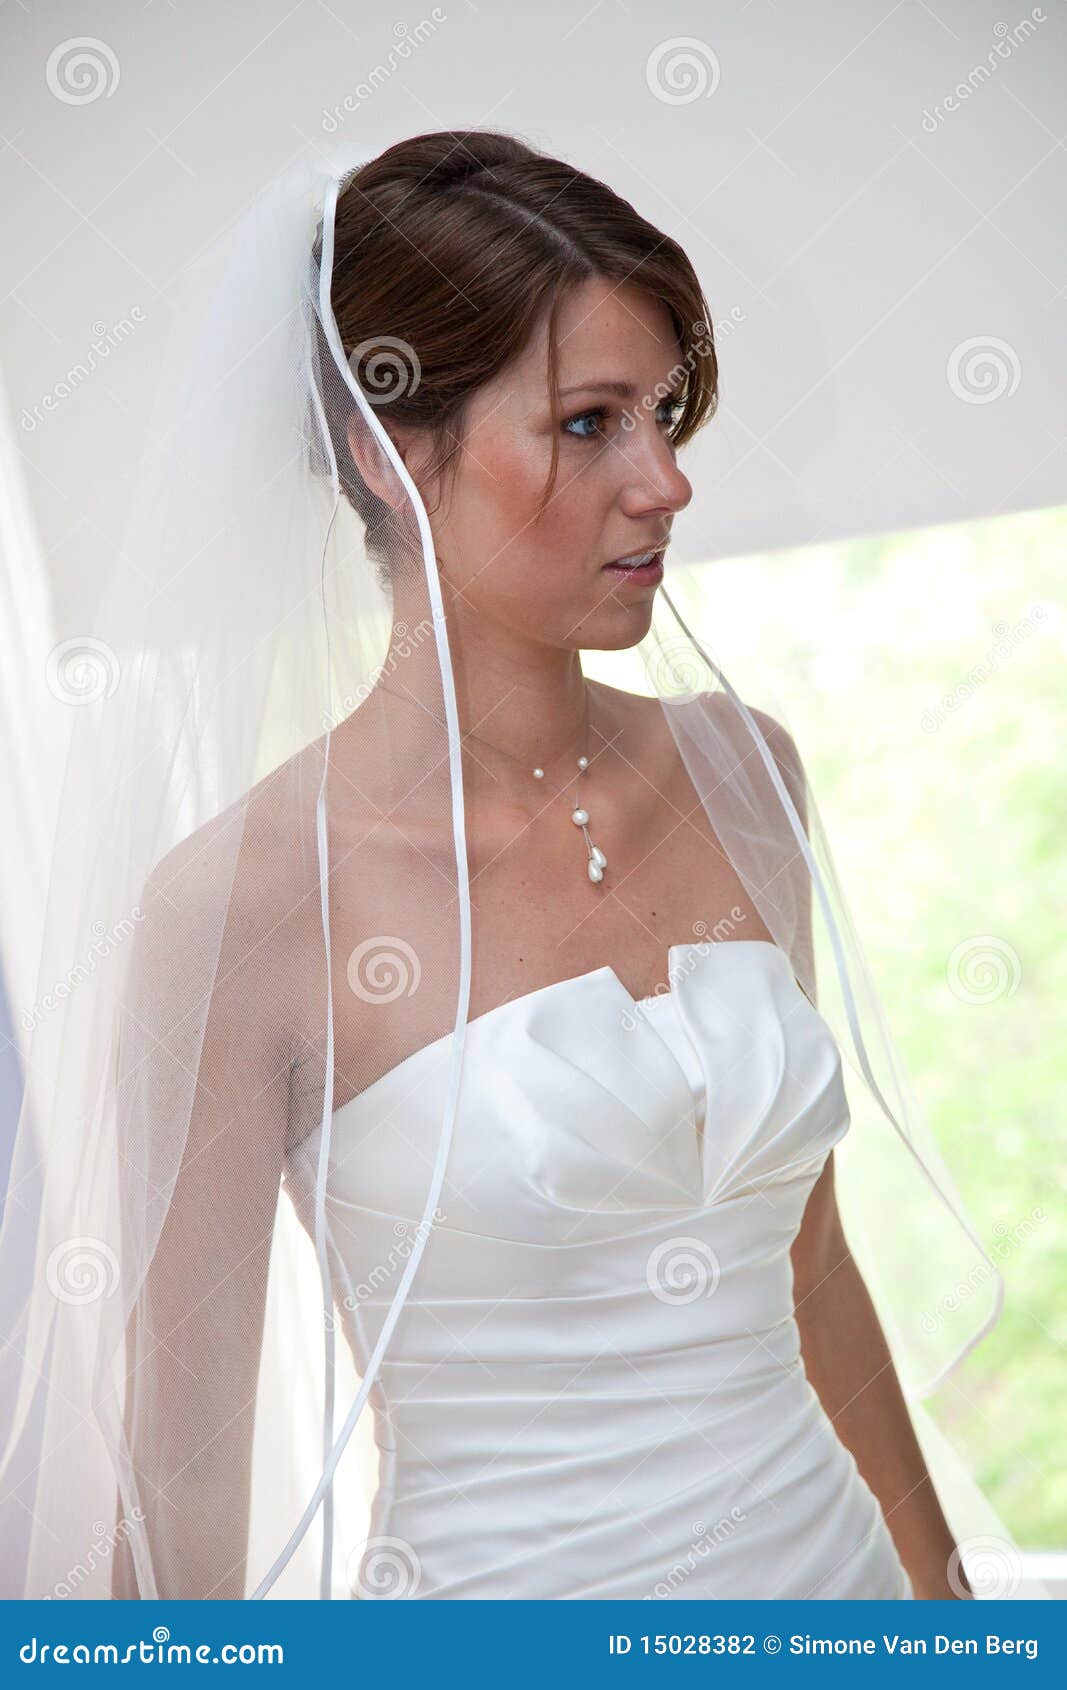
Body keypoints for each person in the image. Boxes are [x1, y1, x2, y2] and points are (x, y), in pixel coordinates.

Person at [1, 130, 1014, 1602]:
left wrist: (946, 1618)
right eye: (590, 423)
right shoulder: (243, 906)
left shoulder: (745, 767)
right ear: (389, 450)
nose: (665, 480)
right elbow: (185, 1474)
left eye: (666, 413)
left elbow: (811, 1271)